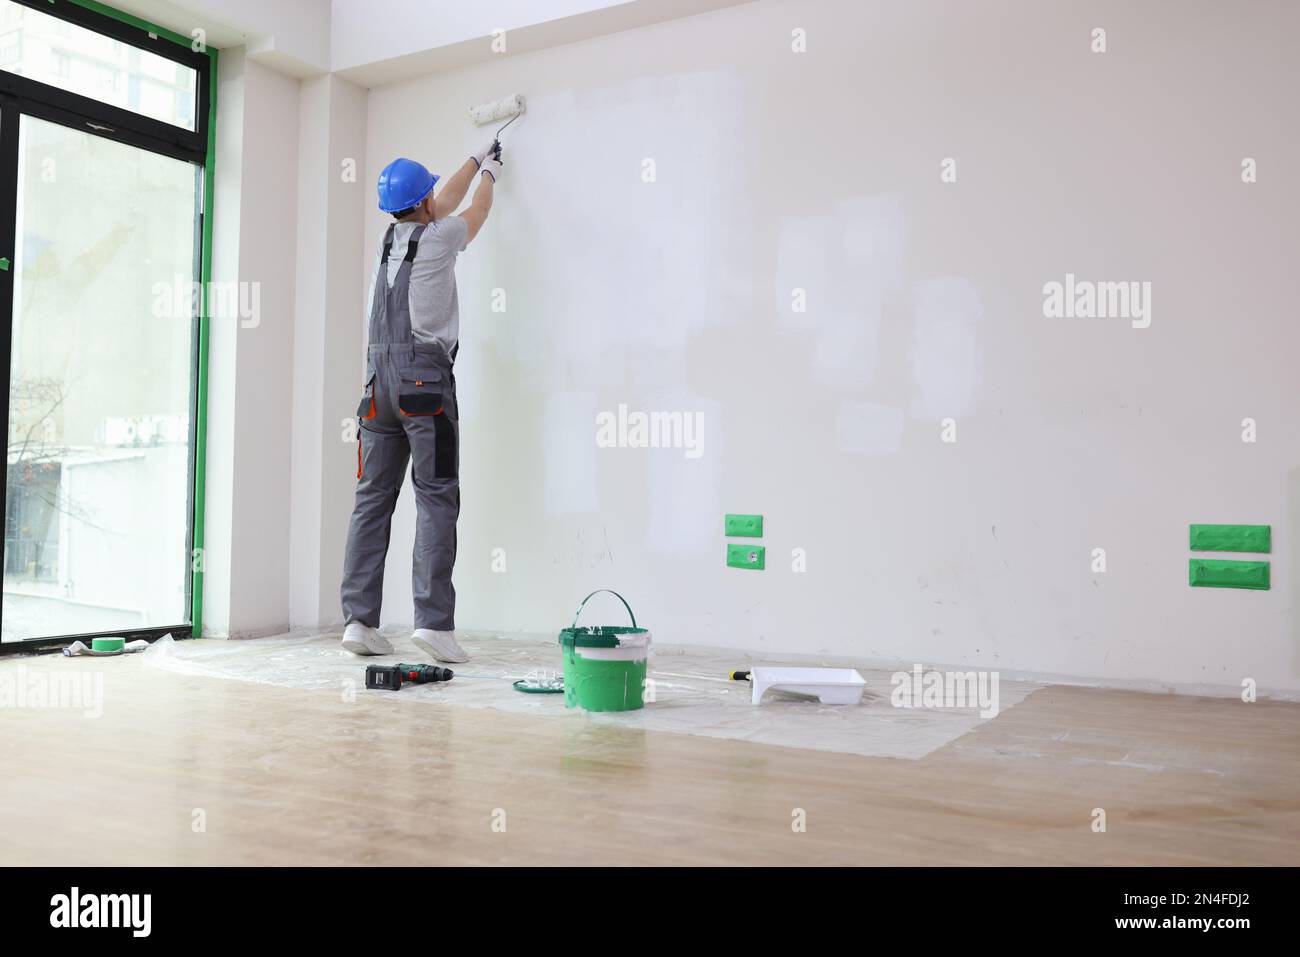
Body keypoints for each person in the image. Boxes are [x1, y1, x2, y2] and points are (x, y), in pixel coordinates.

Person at [339, 140, 503, 662]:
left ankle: (359, 624)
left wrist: (476, 157)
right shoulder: (444, 236)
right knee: (435, 496)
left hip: (374, 389)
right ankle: (433, 625)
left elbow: (440, 198)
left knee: (372, 500)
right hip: (424, 386)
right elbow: (471, 209)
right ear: (426, 202)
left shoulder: (389, 239)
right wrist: (491, 178)